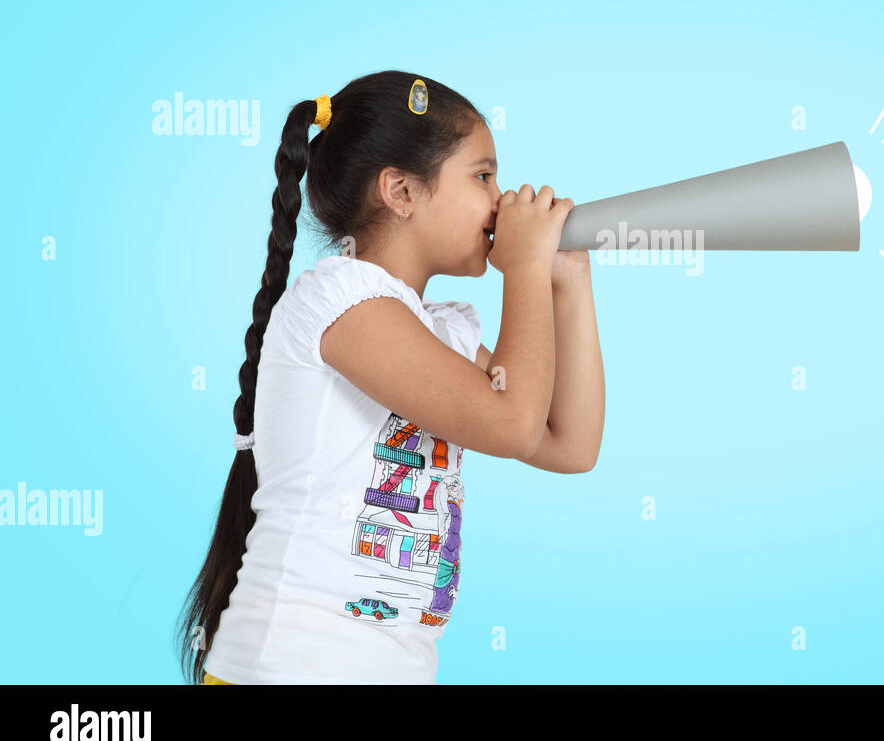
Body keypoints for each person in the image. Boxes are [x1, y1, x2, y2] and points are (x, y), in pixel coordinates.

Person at [175, 70, 605, 684]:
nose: (499, 200)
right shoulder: (342, 301)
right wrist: (525, 270)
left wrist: (569, 282)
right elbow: (511, 424)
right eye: (483, 176)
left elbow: (570, 442)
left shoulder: (435, 332)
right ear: (401, 191)